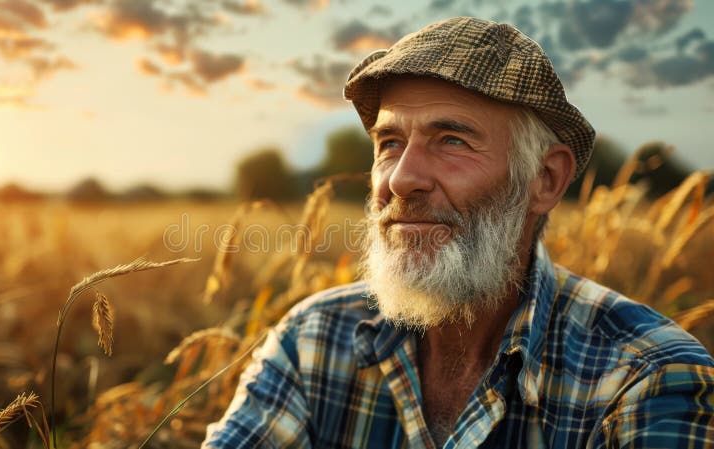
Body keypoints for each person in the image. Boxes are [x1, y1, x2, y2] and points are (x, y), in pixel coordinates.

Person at [202, 17, 714, 448]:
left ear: (546, 179)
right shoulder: (314, 340)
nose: (401, 178)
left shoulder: (647, 377)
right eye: (389, 141)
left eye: (451, 140)